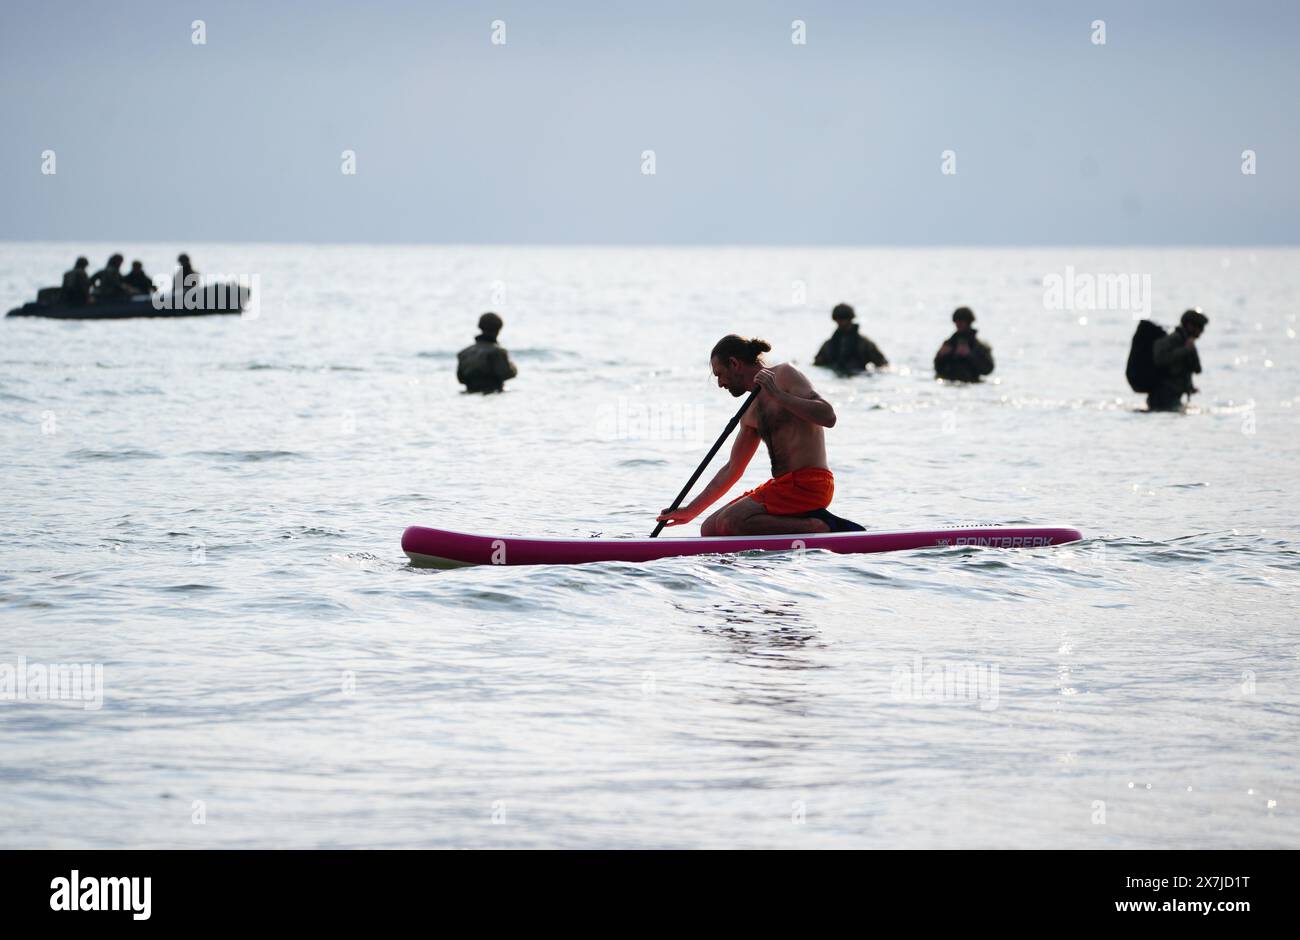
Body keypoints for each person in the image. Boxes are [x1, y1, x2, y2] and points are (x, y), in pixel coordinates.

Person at [655, 335, 863, 536]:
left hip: (810, 484)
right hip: (782, 487)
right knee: (709, 529)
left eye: (719, 374)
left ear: (734, 364)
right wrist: (691, 511)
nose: (720, 384)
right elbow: (732, 468)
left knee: (730, 522)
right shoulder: (749, 410)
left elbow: (828, 416)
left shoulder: (784, 375)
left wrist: (779, 396)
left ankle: (819, 527)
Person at [1148, 309, 1209, 412]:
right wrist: (1185, 350)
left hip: (1173, 396)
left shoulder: (1187, 341)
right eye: (1200, 327)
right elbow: (1160, 359)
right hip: (1163, 396)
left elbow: (1196, 369)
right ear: (1190, 325)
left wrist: (1189, 387)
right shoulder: (1174, 339)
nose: (1202, 331)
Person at [813, 303, 888, 373]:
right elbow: (817, 365)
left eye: (843, 319)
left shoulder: (864, 344)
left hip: (858, 378)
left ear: (850, 319)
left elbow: (882, 364)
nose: (840, 322)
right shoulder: (829, 345)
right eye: (838, 319)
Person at [456, 312, 518, 393]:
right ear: (498, 330)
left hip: (470, 391)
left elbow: (461, 379)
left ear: (480, 327)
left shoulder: (464, 353)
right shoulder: (497, 352)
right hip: (493, 391)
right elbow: (507, 373)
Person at [934, 307, 994, 382]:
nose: (958, 324)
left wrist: (969, 355)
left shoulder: (979, 346)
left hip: (971, 382)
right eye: (957, 321)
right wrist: (941, 356)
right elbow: (938, 368)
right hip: (949, 381)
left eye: (961, 321)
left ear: (968, 322)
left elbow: (988, 369)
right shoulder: (949, 343)